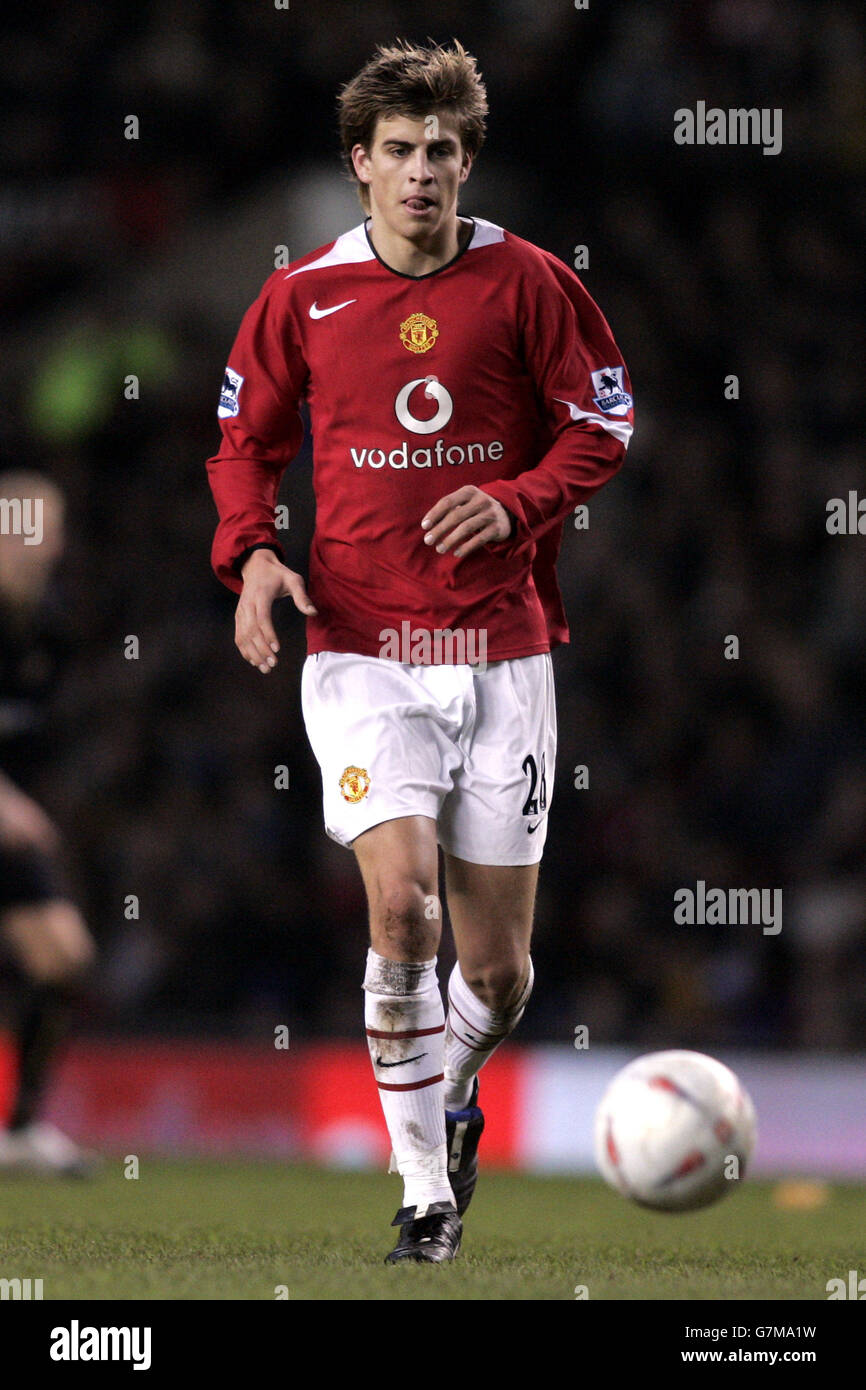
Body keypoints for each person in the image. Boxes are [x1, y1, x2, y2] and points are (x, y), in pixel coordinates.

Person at [206, 39, 633, 1262]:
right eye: (398, 151)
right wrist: (251, 557)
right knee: (402, 916)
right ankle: (424, 1197)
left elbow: (601, 417)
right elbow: (242, 441)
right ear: (359, 165)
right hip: (360, 649)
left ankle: (453, 1093)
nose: (421, 172)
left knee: (496, 977)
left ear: (465, 162)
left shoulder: (531, 283)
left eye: (441, 150)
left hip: (502, 649)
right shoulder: (302, 300)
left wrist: (520, 497)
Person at [0, 471, 98, 1175]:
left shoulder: (50, 623)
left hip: (10, 824)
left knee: (63, 957)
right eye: (44, 523)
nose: (56, 539)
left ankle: (22, 1129)